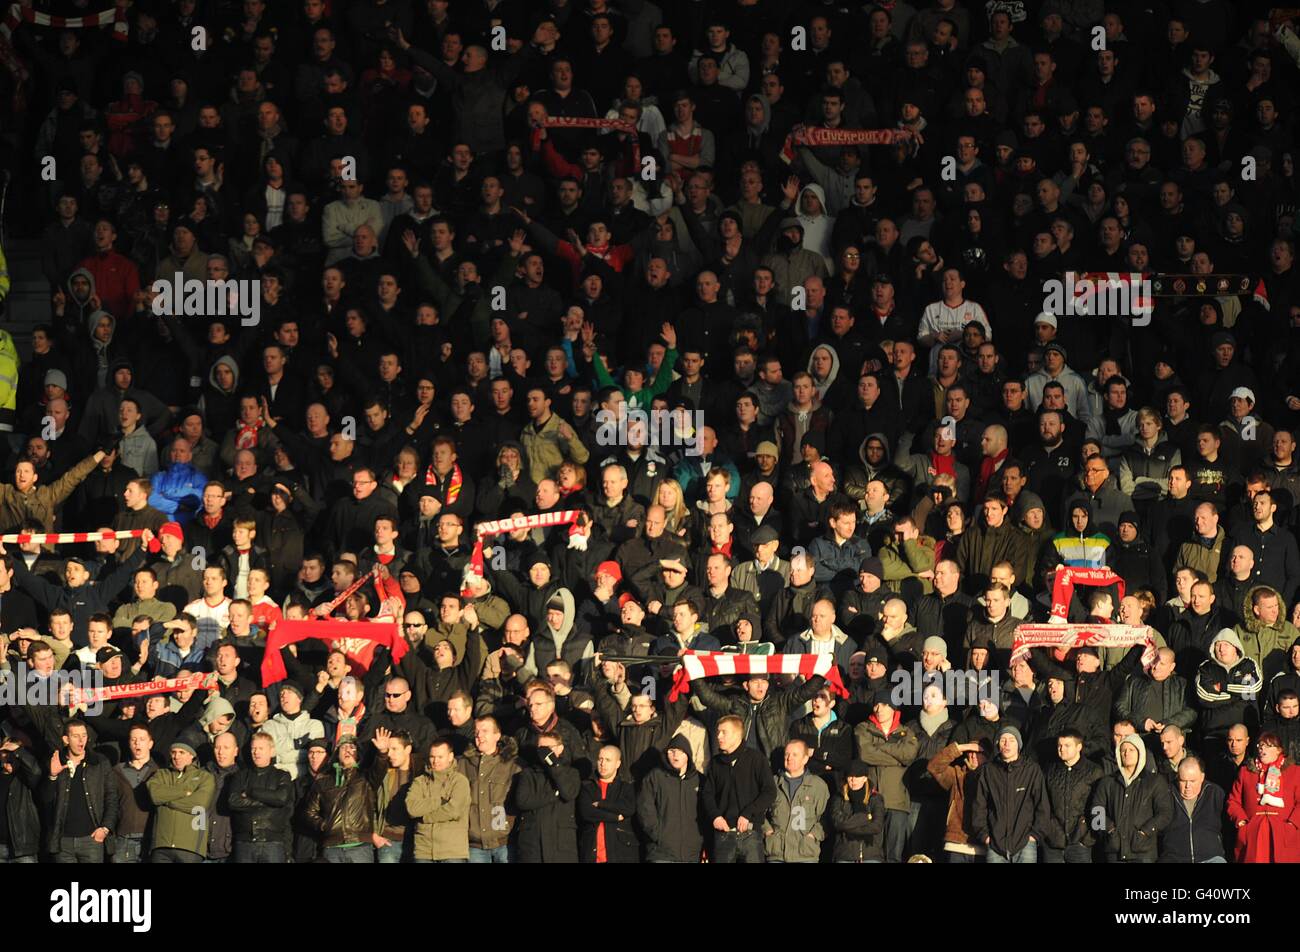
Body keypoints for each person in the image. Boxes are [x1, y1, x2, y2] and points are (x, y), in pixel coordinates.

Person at [702, 715, 776, 863]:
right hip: (723, 834)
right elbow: (707, 794)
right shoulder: (716, 763)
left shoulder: (756, 759)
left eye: (724, 732)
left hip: (750, 834)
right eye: (718, 732)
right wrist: (715, 816)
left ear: (737, 735)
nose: (719, 736)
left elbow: (769, 792)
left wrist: (748, 813)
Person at [970, 725, 1049, 863]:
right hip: (995, 845)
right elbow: (979, 805)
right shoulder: (988, 771)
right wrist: (984, 836)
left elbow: (1042, 805)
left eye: (1012, 740)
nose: (1007, 744)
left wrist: (1034, 836)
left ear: (1019, 744)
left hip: (1025, 844)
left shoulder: (1032, 770)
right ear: (998, 744)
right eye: (1003, 740)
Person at [1090, 734, 1174, 864]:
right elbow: (1096, 811)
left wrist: (1145, 831)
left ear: (1140, 752)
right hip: (1114, 852)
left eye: (1131, 750)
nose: (1126, 753)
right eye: (1123, 750)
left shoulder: (1155, 781)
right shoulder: (1107, 782)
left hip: (1143, 852)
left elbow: (1165, 813)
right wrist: (1109, 830)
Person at [1226, 731, 1300, 863]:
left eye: (1268, 746)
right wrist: (1242, 822)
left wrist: (1292, 824)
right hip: (1253, 832)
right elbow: (1233, 801)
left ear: (1278, 750)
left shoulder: (1294, 772)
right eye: (1260, 746)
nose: (1262, 749)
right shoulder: (1246, 772)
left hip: (1283, 833)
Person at [405, 739, 471, 864]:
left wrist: (425, 817)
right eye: (432, 757)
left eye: (440, 757)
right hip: (423, 851)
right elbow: (412, 808)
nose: (435, 761)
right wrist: (440, 801)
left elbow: (454, 810)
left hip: (453, 851)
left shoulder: (460, 781)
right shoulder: (419, 782)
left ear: (450, 757)